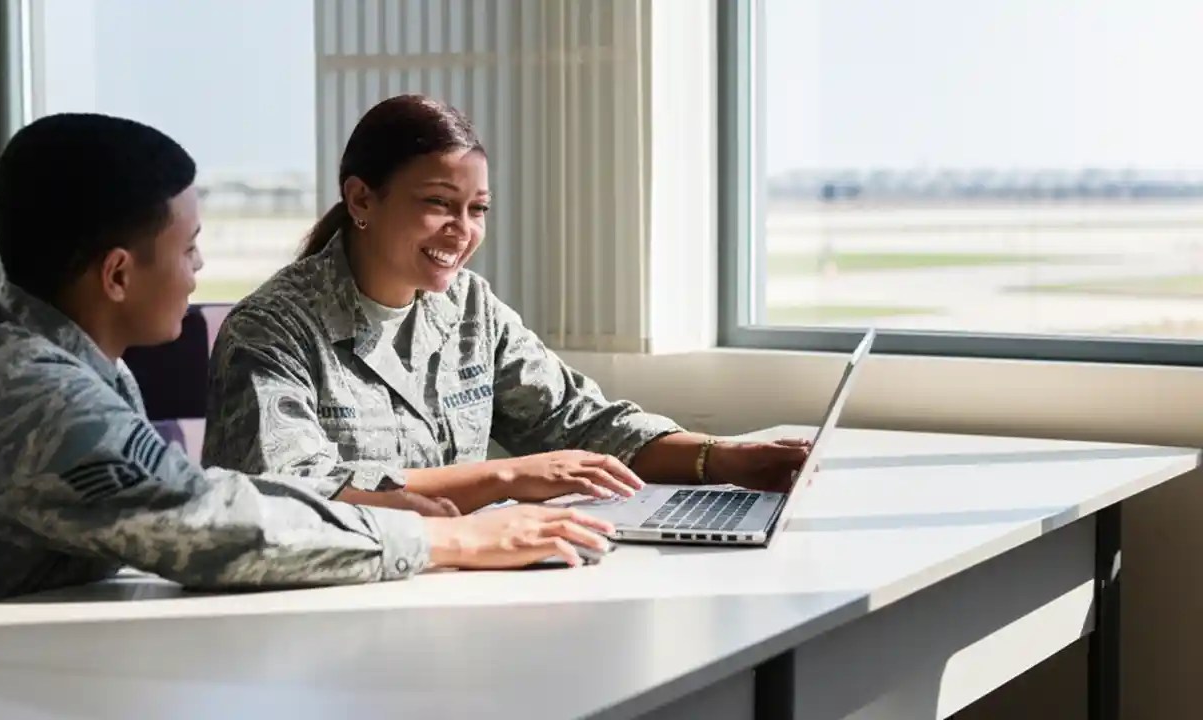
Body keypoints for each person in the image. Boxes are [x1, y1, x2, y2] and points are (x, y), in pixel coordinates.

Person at [0, 113, 614, 617]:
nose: (199, 272)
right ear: (117, 275)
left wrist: (370, 505)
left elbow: (184, 489)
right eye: (189, 248)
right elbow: (208, 521)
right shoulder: (38, 397)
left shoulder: (48, 361)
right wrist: (448, 538)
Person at [202, 94, 811, 516]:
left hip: (457, 583)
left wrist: (723, 458)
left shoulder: (470, 308)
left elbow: (579, 423)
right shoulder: (271, 331)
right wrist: (505, 478)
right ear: (362, 199)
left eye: (478, 210)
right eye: (439, 203)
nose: (462, 231)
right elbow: (290, 492)